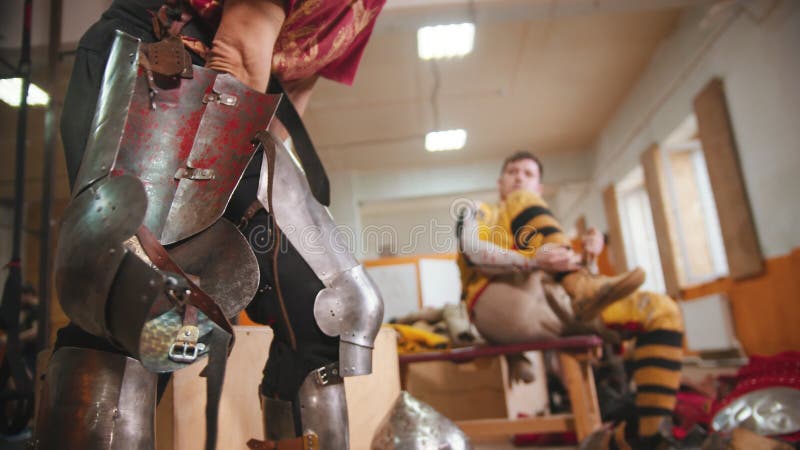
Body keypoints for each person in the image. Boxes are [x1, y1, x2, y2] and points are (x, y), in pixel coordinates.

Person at [36, 1, 386, 449]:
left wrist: (258, 195)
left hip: (232, 93)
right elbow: (239, 49)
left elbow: (294, 82)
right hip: (161, 66)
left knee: (333, 308)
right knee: (144, 302)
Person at [457, 150, 685, 450]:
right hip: (499, 301)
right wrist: (533, 261)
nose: (519, 178)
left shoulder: (540, 223)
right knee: (523, 205)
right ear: (500, 183)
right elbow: (472, 251)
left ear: (540, 187)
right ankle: (580, 283)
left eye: (528, 174)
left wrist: (588, 259)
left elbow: (552, 276)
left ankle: (651, 438)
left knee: (662, 310)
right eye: (512, 172)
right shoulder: (479, 209)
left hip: (556, 302)